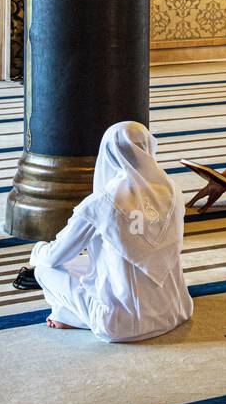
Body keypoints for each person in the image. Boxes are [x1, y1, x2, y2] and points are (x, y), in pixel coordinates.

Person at [18, 121, 192, 343]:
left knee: (44, 269)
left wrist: (36, 252)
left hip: (122, 326)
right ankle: (71, 316)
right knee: (86, 264)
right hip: (176, 312)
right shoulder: (172, 189)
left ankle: (69, 315)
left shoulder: (101, 202)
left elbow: (54, 256)